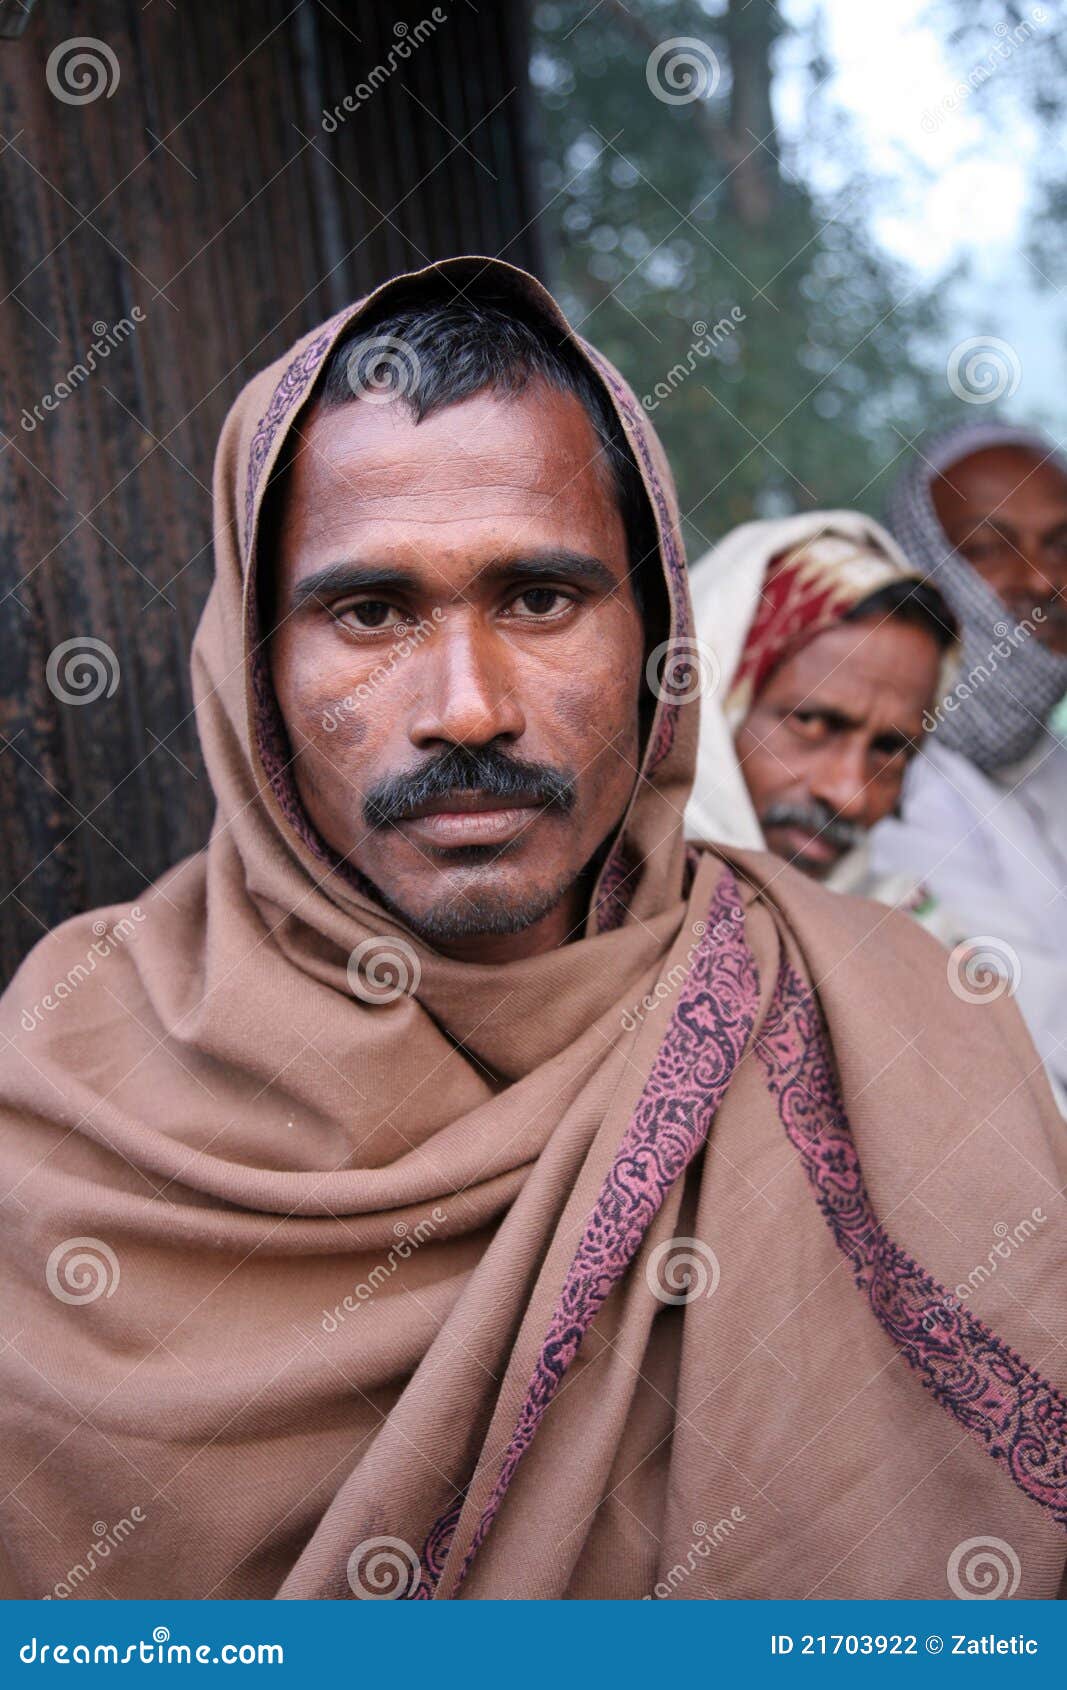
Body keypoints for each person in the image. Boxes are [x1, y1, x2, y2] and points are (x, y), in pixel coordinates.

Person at [1, 261, 1064, 1604]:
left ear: (655, 639)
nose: (465, 706)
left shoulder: (900, 1019)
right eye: (369, 610)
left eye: (540, 599)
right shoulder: (70, 1070)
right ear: (250, 666)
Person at [872, 422, 1067, 1105]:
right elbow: (1018, 1018)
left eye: (1060, 544)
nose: (1041, 579)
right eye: (988, 548)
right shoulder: (874, 781)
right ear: (922, 565)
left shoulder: (1048, 760)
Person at [683, 512, 955, 900]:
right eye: (812, 723)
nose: (849, 796)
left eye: (889, 749)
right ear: (715, 702)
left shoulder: (908, 935)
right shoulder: (587, 912)